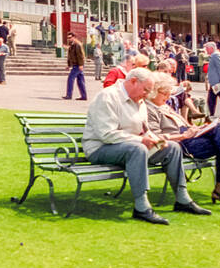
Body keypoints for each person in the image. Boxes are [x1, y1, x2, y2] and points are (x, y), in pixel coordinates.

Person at [82, 67, 211, 224]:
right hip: (99, 148)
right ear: (133, 81)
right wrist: (141, 140)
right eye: (146, 90)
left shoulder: (139, 100)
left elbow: (144, 129)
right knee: (138, 148)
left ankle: (182, 199)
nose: (148, 95)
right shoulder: (108, 97)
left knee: (172, 147)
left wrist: (155, 140)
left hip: (129, 147)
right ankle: (141, 207)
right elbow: (107, 135)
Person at [146, 73, 220, 206]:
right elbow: (156, 137)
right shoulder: (149, 109)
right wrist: (183, 135)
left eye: (168, 93)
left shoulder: (163, 105)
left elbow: (184, 124)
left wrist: (196, 129)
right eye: (164, 93)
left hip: (188, 136)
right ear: (153, 92)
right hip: (178, 144)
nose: (167, 96)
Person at [205, 42, 220, 117]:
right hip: (215, 82)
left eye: (207, 48)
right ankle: (210, 113)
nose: (206, 50)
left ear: (211, 48)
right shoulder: (214, 55)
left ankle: (211, 113)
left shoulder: (216, 55)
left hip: (217, 82)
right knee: (213, 98)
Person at [64, 34, 87, 100]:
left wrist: (81, 65)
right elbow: (70, 56)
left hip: (78, 65)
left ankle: (69, 95)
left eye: (70, 37)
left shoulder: (77, 45)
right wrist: (69, 65)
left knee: (70, 79)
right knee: (80, 81)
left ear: (74, 37)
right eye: (68, 37)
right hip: (76, 65)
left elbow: (80, 56)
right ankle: (84, 96)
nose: (69, 39)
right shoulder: (72, 45)